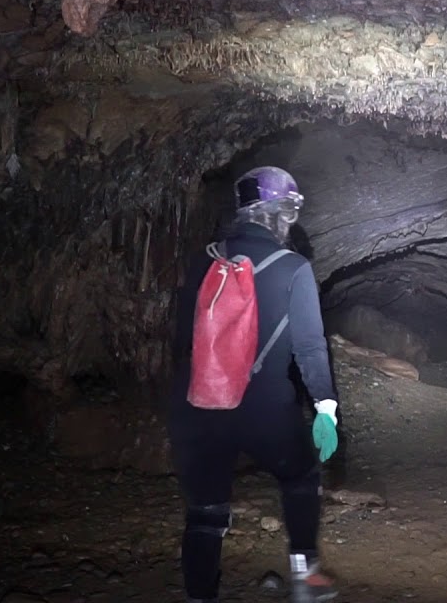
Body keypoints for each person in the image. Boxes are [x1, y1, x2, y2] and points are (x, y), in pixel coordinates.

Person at [168, 166, 340, 603]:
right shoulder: (293, 268)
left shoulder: (203, 260)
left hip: (200, 402)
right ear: (278, 214)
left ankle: (200, 596)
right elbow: (309, 347)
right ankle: (305, 577)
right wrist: (325, 407)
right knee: (301, 476)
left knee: (205, 511)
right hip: (264, 406)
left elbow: (181, 338)